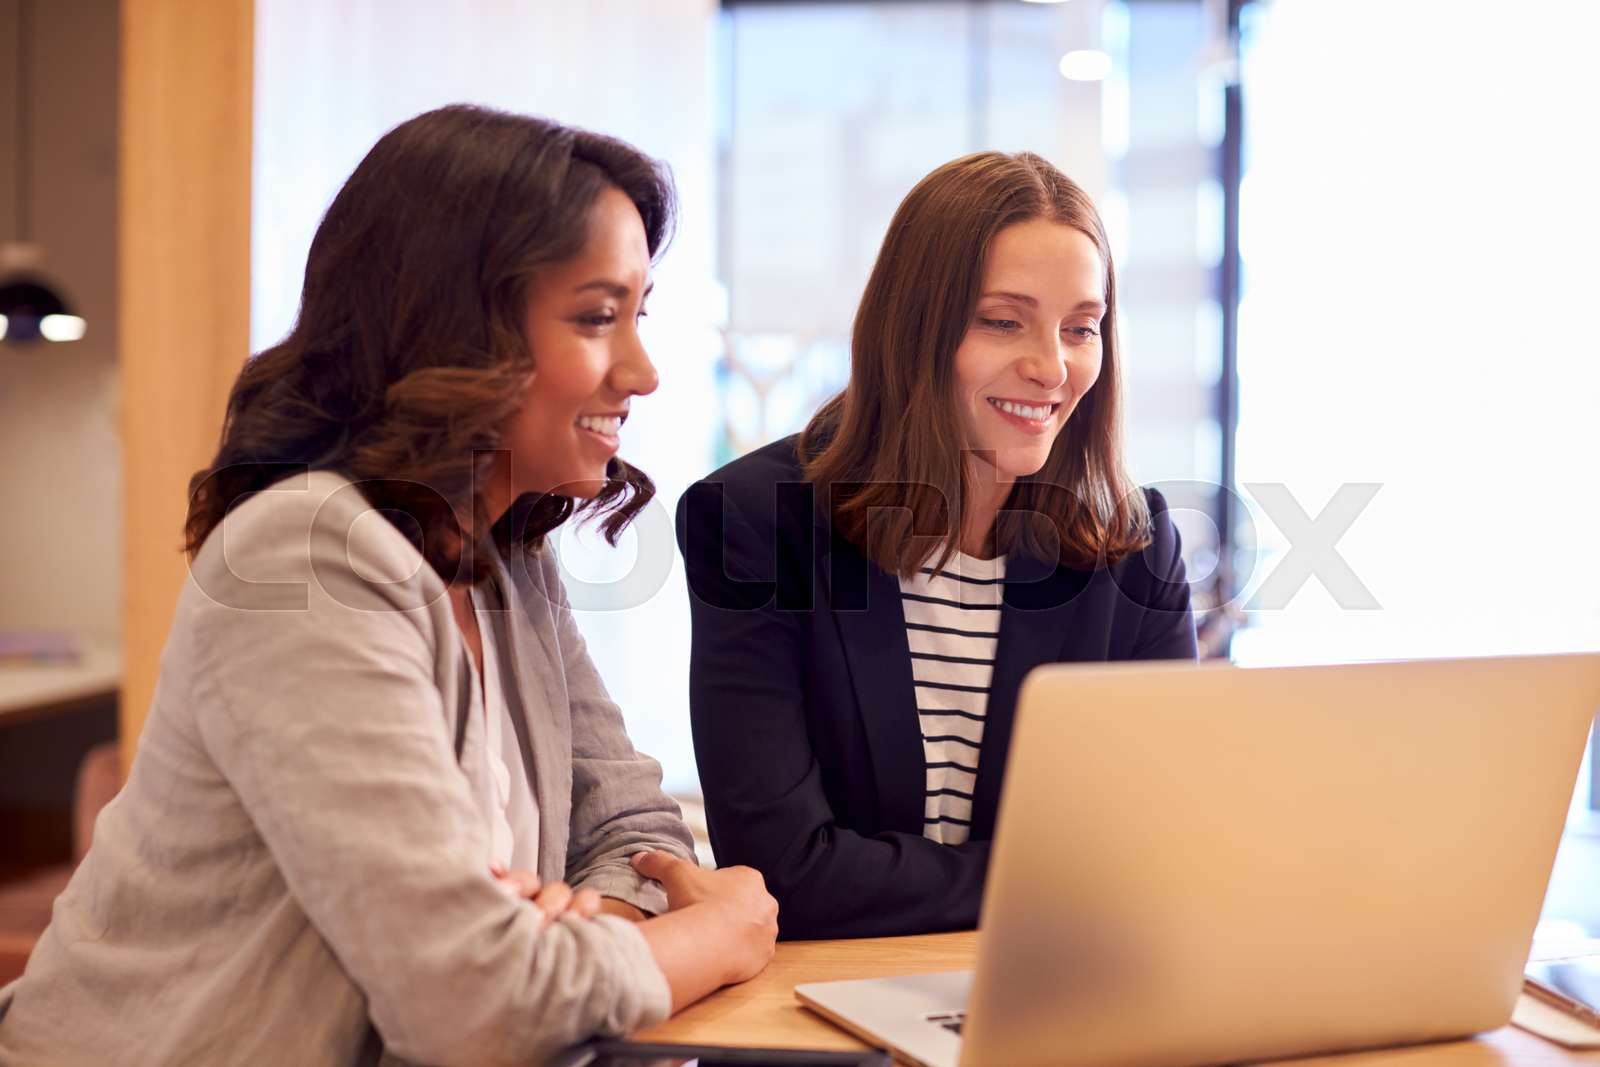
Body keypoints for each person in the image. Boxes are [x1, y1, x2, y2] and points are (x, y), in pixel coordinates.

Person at [0, 105, 777, 1067]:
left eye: (639, 313)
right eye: (595, 316)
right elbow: (473, 1007)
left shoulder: (508, 563)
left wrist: (573, 937)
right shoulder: (307, 557)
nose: (644, 371)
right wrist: (716, 933)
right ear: (453, 327)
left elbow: (636, 829)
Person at [677, 151, 1197, 941]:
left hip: (1056, 998)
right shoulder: (755, 520)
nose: (1051, 367)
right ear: (914, 326)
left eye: (1080, 328)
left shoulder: (1136, 545)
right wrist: (1051, 880)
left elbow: (1159, 852)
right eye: (1003, 320)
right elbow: (787, 872)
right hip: (823, 1018)